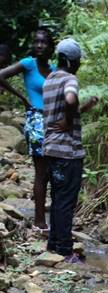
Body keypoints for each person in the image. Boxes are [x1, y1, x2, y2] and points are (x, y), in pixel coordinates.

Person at [42, 37, 98, 261]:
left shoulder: (49, 80)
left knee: (57, 197)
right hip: (68, 150)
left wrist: (82, 109)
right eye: (77, 61)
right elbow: (70, 97)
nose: (79, 65)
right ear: (70, 61)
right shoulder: (69, 78)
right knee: (67, 200)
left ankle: (54, 244)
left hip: (51, 148)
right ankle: (65, 250)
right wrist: (67, 120)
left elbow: (66, 108)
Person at [0, 28, 55, 231]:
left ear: (51, 48)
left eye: (44, 43)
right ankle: (39, 221)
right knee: (41, 171)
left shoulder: (56, 69)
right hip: (37, 121)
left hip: (55, 122)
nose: (39, 46)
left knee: (53, 171)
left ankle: (52, 219)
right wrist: (23, 99)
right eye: (36, 42)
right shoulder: (28, 64)